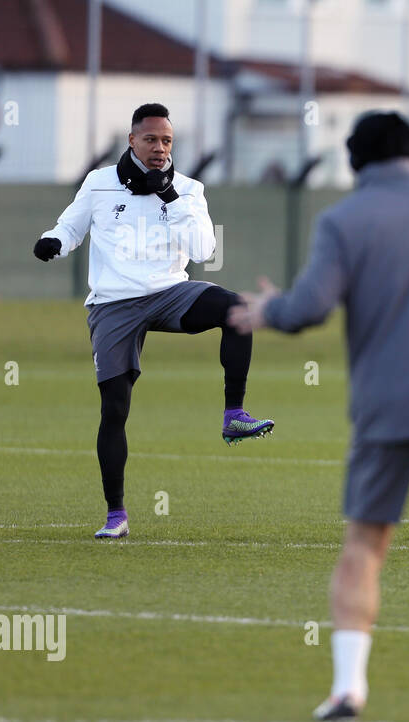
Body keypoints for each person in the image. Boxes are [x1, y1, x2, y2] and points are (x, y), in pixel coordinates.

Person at [228, 111, 409, 722]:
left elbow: (308, 308)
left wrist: (268, 308)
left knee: (365, 544)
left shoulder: (343, 219)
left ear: (356, 162)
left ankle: (347, 690)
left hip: (383, 404)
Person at [33, 103, 273, 540]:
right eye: (150, 139)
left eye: (166, 140)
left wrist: (170, 196)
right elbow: (70, 226)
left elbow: (202, 251)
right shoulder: (99, 183)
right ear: (132, 140)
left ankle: (234, 413)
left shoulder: (188, 189)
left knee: (237, 309)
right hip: (114, 302)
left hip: (169, 292)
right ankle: (116, 515)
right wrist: (54, 242)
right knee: (114, 409)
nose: (160, 148)